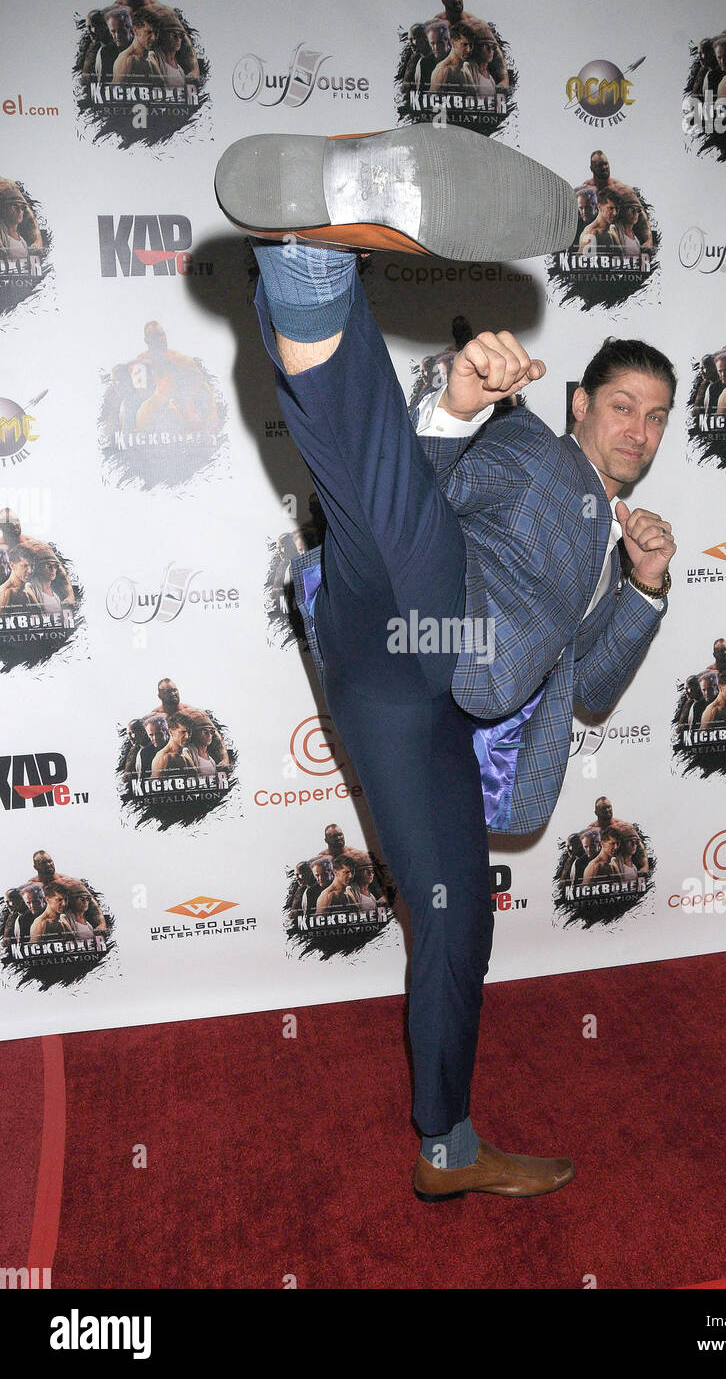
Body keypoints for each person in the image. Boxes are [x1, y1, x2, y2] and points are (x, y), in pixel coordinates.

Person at [217, 122, 676, 1202]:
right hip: (432, 609)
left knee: (457, 917)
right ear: (578, 406)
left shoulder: (613, 551)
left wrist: (644, 593)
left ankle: (448, 1148)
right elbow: (431, 493)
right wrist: (462, 401)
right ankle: (309, 267)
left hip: (432, 713)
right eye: (619, 405)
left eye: (655, 419)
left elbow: (593, 690)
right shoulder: (528, 445)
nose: (636, 430)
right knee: (393, 506)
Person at [111, 7, 163, 84]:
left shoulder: (152, 56)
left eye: (156, 32)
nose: (154, 38)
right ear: (135, 30)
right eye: (149, 32)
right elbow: (114, 94)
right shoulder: (127, 61)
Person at [430, 22, 478, 92]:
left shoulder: (466, 67)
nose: (469, 50)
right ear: (452, 43)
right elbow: (430, 100)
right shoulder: (443, 70)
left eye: (471, 45)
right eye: (464, 44)